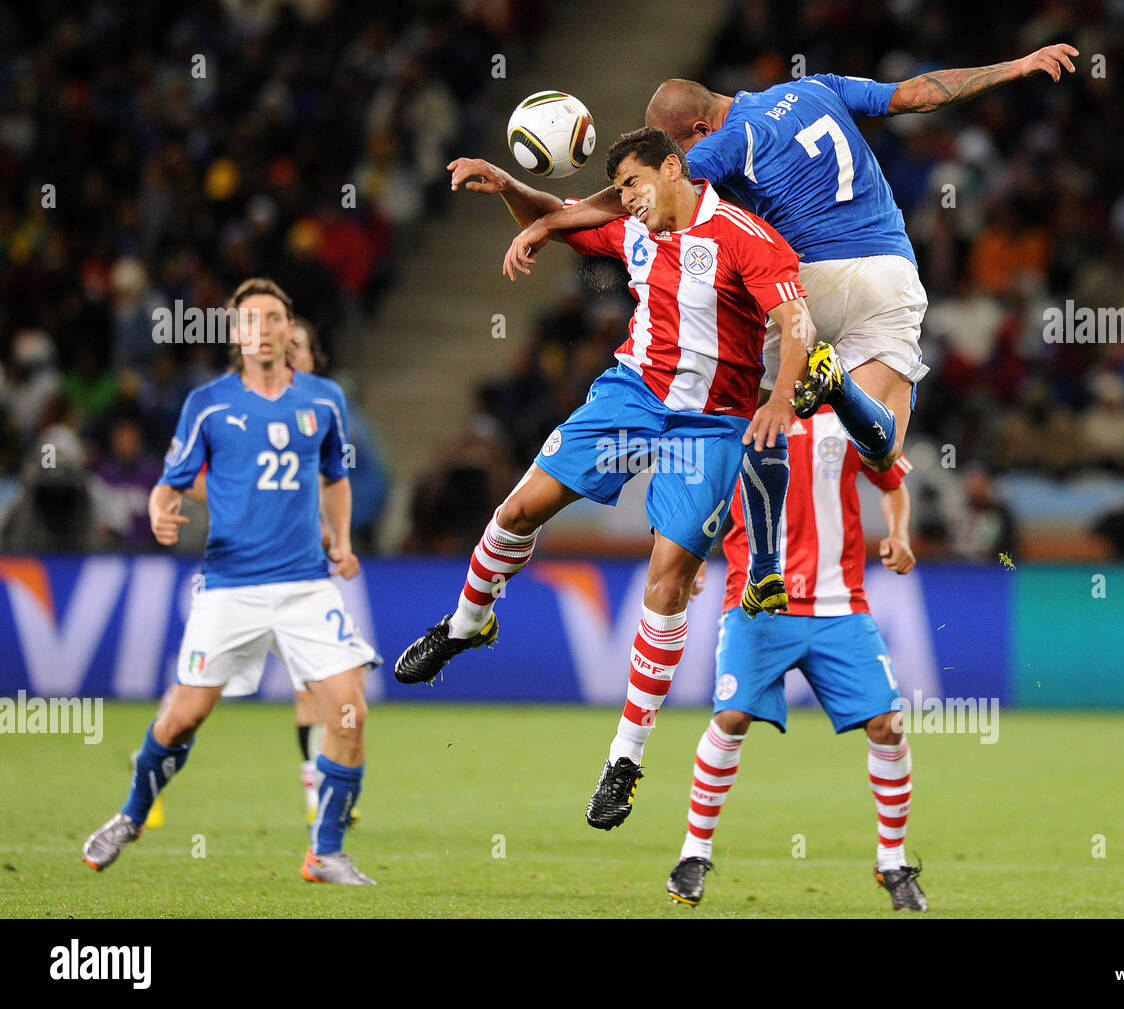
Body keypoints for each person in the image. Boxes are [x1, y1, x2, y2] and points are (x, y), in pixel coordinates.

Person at [503, 45, 1078, 617]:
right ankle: (840, 390)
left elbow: (642, 196)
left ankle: (750, 567)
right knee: (885, 448)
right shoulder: (818, 86)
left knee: (731, 410)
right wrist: (1014, 67)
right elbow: (915, 93)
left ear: (698, 132)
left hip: (807, 280)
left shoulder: (724, 143)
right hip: (889, 270)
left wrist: (549, 220)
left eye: (676, 152)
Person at [395, 128, 816, 831]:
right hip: (631, 396)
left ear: (674, 169)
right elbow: (555, 220)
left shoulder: (744, 235)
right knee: (520, 508)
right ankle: (467, 623)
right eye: (617, 190)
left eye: (630, 185)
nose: (622, 200)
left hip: (710, 423)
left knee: (669, 575)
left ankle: (625, 756)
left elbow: (794, 317)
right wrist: (507, 186)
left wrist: (780, 396)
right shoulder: (634, 229)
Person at [82, 278, 380, 885]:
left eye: (275, 318)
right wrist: (163, 506)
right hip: (229, 586)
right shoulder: (209, 404)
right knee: (182, 717)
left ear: (286, 328)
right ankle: (132, 814)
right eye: (251, 320)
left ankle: (325, 851)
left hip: (305, 585)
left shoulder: (323, 400)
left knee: (348, 712)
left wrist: (341, 537)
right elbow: (173, 477)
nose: (264, 329)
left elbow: (335, 476)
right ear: (236, 334)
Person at [665, 404, 926, 911]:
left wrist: (899, 534)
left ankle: (892, 861)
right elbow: (699, 489)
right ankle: (693, 854)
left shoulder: (850, 411)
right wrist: (689, 554)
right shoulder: (739, 412)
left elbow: (892, 480)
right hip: (758, 600)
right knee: (731, 716)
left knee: (888, 726)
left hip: (840, 605)